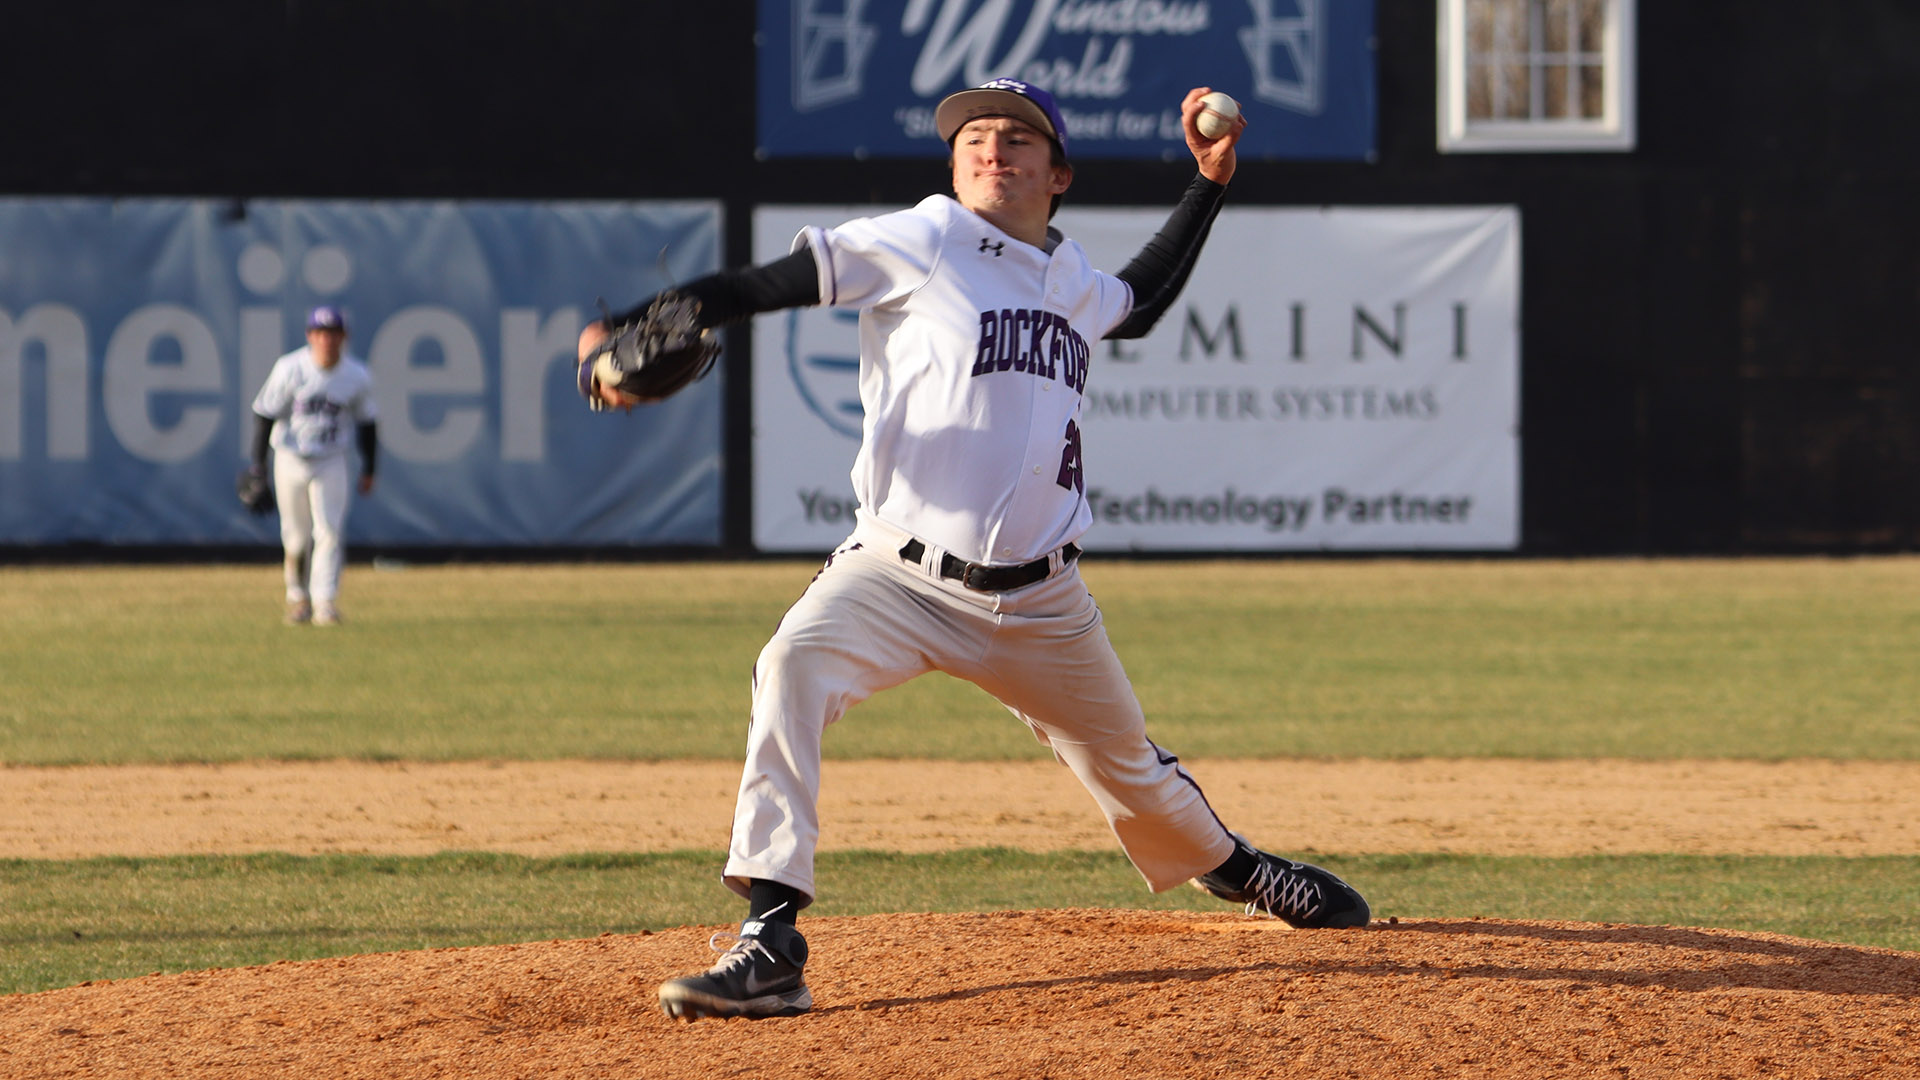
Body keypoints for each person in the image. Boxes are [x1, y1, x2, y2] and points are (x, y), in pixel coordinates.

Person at [578, 79, 1370, 1023]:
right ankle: (772, 936)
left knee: (1130, 770)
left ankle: (1239, 870)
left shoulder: (1072, 277)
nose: (992, 152)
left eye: (1017, 140)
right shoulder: (926, 237)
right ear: (954, 168)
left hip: (1042, 601)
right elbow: (764, 286)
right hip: (897, 574)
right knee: (790, 663)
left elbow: (1143, 299)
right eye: (974, 140)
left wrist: (1209, 183)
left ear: (1058, 173)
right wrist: (638, 320)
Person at [248, 304, 379, 626]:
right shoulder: (291, 368)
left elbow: (368, 424)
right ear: (310, 336)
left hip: (332, 459)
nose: (327, 340)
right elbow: (265, 415)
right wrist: (258, 468)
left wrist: (370, 469)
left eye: (333, 333)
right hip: (290, 456)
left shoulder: (356, 375)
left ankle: (325, 601)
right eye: (320, 333)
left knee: (330, 531)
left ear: (344, 337)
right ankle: (298, 598)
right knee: (295, 536)